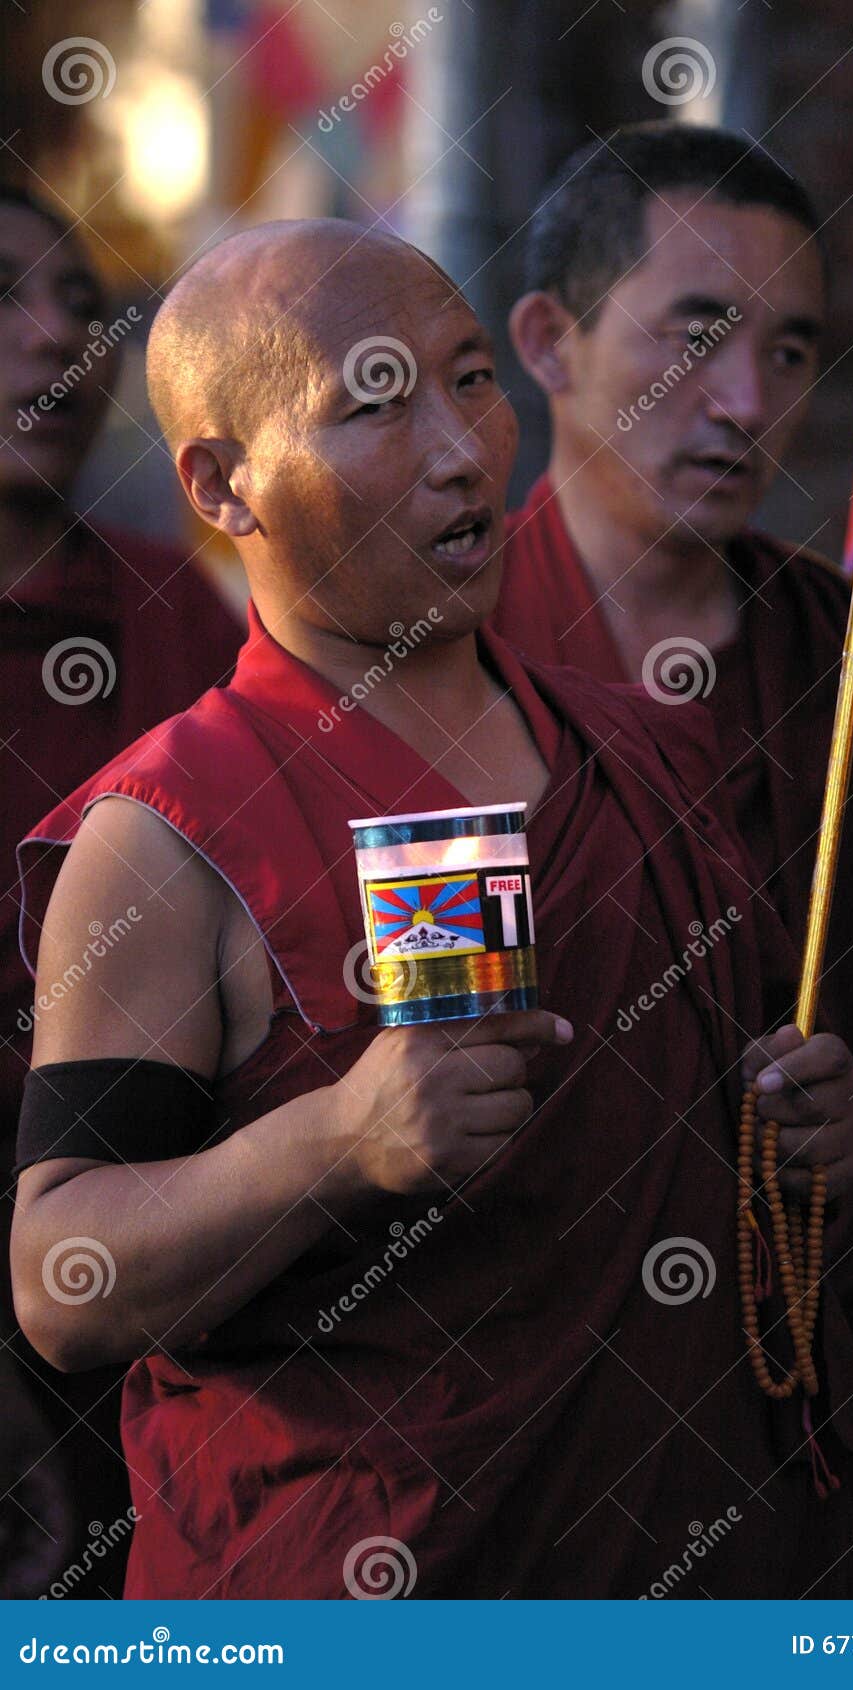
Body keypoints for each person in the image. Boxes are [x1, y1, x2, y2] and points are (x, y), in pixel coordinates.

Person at [12, 218, 853, 1599]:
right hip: (369, 1585)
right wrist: (333, 1141)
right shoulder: (174, 831)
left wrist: (801, 1123)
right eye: (376, 401)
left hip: (701, 1558)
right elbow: (58, 1274)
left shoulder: (637, 744)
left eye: (471, 377)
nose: (467, 448)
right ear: (225, 484)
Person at [493, 123, 853, 1595]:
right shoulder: (439, 661)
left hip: (818, 1399)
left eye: (792, 350)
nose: (746, 402)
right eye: (699, 334)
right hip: (531, 1419)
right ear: (549, 338)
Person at [0, 185, 243, 1597]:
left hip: (167, 1314)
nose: (58, 346)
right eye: (7, 303)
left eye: (86, 312)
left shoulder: (176, 618)